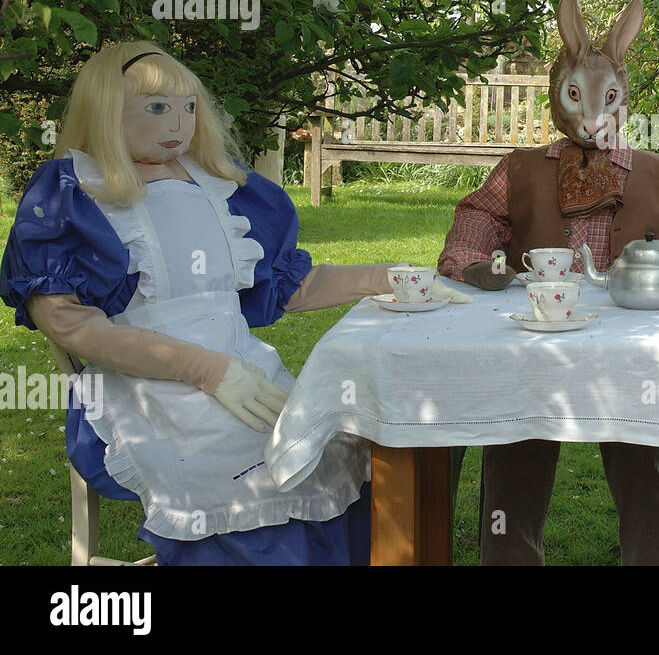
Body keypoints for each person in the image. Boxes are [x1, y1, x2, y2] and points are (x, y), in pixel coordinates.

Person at [1, 42, 398, 564]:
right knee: (241, 468)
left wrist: (383, 276)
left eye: (189, 107)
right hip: (141, 386)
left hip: (246, 371)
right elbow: (72, 328)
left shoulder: (216, 186)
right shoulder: (74, 194)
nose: (181, 123)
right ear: (105, 111)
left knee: (331, 447)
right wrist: (203, 368)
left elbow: (286, 287)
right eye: (158, 108)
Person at [437, 0, 659, 564]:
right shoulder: (521, 170)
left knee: (643, 459)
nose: (592, 115)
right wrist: (474, 262)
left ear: (624, 97)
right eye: (577, 96)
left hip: (632, 351)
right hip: (534, 344)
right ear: (558, 94)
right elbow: (477, 218)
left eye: (607, 98)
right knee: (514, 455)